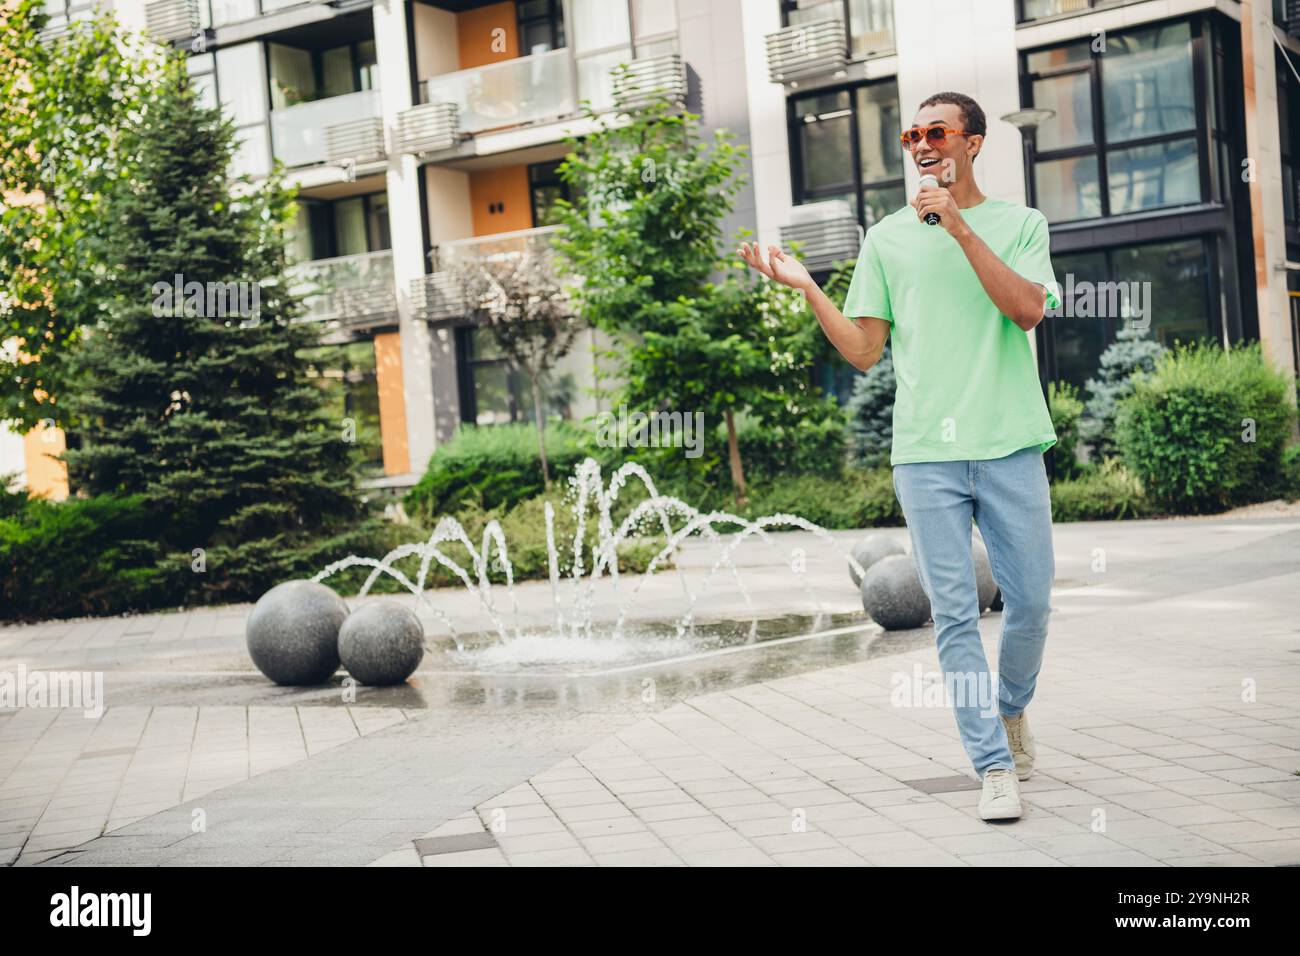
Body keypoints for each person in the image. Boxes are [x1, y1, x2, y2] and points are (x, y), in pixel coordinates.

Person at [739, 91, 1058, 822]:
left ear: (972, 143)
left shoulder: (1020, 224)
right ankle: (991, 765)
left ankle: (1010, 709)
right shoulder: (885, 239)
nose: (921, 144)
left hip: (1009, 442)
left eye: (936, 132)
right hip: (925, 457)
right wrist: (808, 287)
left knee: (1032, 604)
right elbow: (862, 350)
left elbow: (1028, 311)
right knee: (954, 617)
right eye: (912, 133)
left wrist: (958, 230)